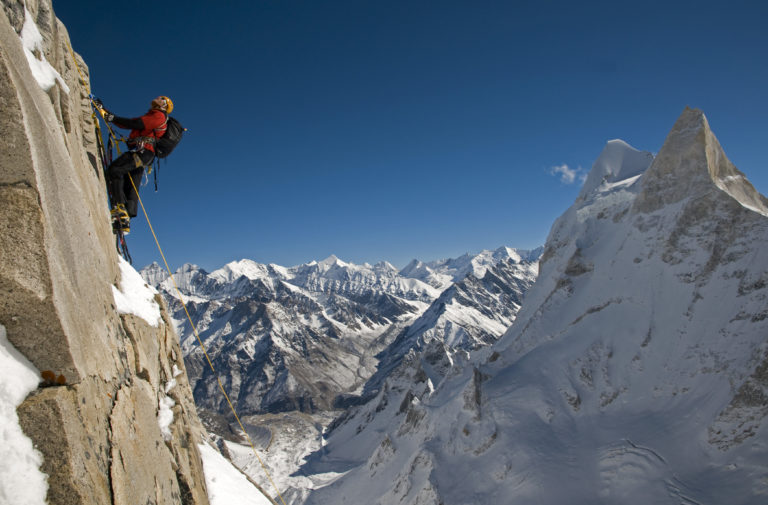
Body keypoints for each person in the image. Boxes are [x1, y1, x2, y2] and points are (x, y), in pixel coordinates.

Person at [97, 96, 173, 233]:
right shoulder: (153, 116)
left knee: (115, 170)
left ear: (165, 106)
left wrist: (111, 117)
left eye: (162, 99)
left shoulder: (159, 116)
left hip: (143, 152)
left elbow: (137, 124)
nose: (157, 98)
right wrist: (105, 111)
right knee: (130, 185)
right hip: (143, 154)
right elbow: (129, 123)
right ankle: (125, 218)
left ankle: (119, 207)